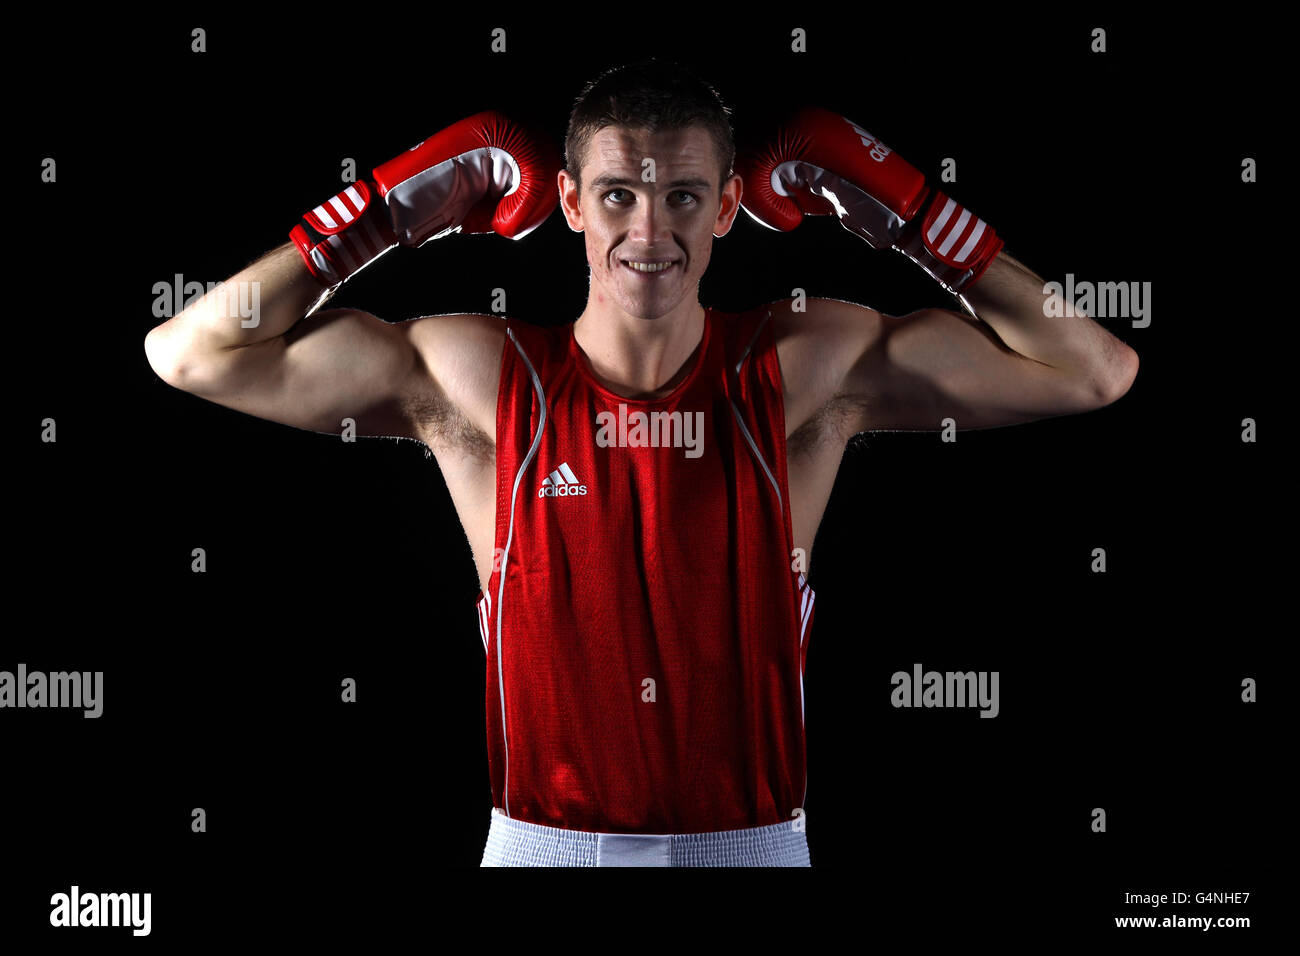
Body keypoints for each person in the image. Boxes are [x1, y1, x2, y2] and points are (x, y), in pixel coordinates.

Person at [143, 58, 1137, 867]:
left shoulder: (801, 366)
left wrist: (916, 215)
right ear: (570, 201)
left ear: (727, 206)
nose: (649, 231)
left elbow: (1093, 369)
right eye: (618, 194)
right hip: (540, 847)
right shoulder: (482, 377)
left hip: (755, 845)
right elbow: (188, 354)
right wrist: (380, 209)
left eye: (683, 196)